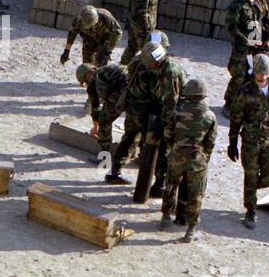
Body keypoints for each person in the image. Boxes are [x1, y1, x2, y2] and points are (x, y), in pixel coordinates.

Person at [228, 54, 269, 229]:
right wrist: (232, 143)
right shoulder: (244, 91)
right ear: (254, 72)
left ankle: (251, 190)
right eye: (259, 73)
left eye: (265, 73)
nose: (262, 76)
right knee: (250, 174)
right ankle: (250, 209)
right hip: (250, 140)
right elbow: (236, 119)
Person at [112, 39, 178, 194]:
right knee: (157, 145)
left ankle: (115, 171)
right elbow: (164, 97)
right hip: (144, 110)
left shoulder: (138, 60)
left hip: (133, 106)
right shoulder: (155, 68)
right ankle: (158, 184)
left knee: (129, 137)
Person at [159, 77, 216, 242]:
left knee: (170, 186)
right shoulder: (210, 116)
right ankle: (190, 230)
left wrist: (174, 148)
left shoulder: (177, 111)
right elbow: (210, 142)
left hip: (176, 156)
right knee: (196, 194)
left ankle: (165, 218)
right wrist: (205, 158)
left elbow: (168, 133)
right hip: (197, 161)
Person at [222, 0, 269, 118]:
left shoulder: (260, 1)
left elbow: (268, 20)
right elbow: (232, 28)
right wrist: (246, 42)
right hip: (242, 47)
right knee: (239, 75)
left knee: (255, 75)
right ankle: (229, 103)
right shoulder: (237, 6)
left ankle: (247, 105)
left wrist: (268, 40)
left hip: (258, 44)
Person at [78, 62, 127, 159]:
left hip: (121, 90)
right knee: (135, 123)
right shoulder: (106, 69)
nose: (87, 83)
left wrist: (96, 128)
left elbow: (95, 109)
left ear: (87, 75)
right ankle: (138, 155)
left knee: (104, 120)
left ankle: (104, 158)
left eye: (85, 81)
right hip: (136, 87)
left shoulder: (93, 82)